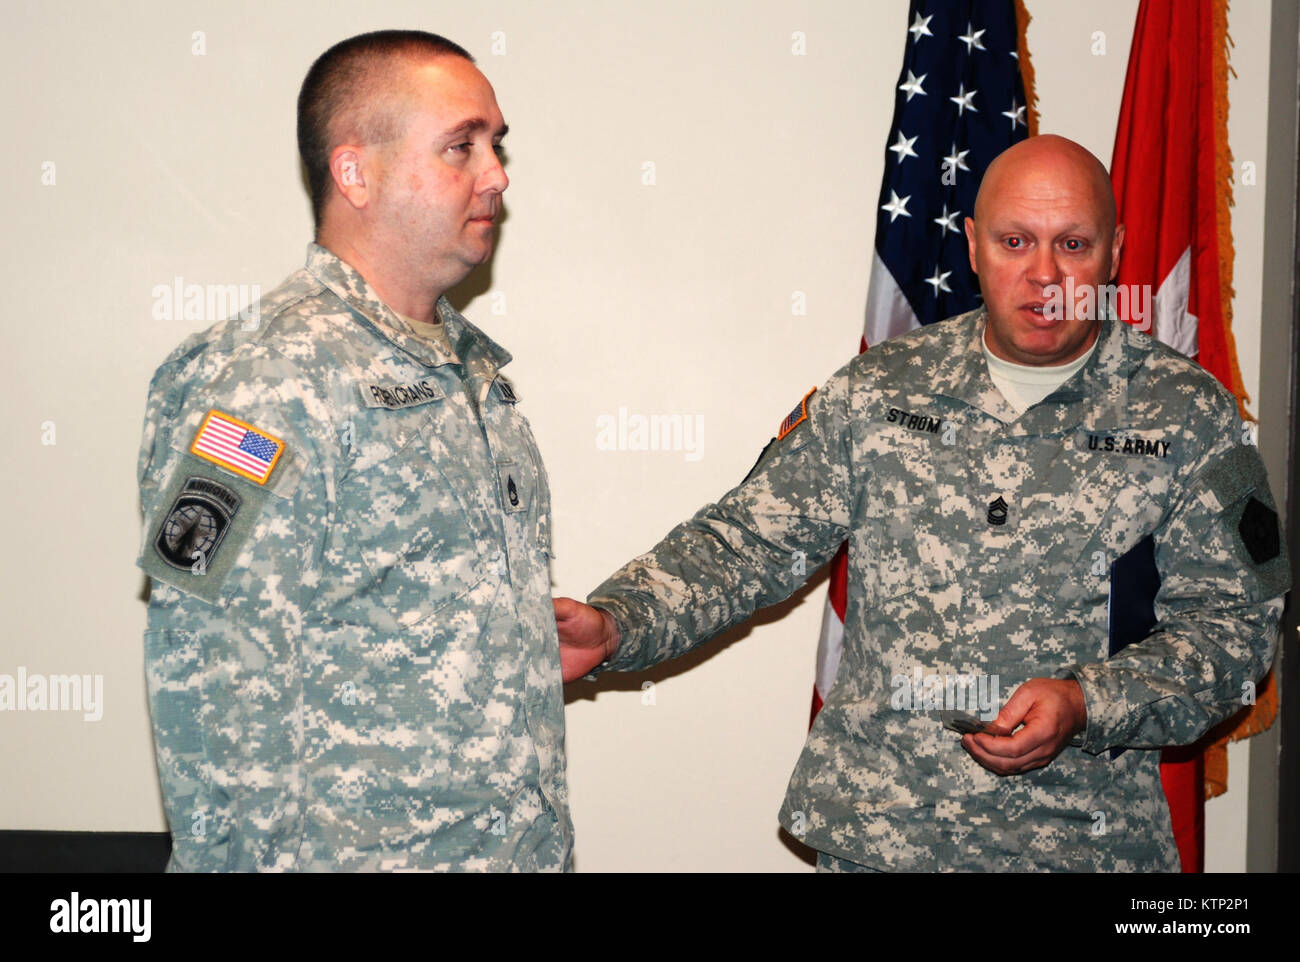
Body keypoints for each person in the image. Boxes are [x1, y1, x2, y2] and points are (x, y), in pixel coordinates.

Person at [555, 135, 1289, 872]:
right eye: (1014, 241)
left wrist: (1087, 703)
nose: (1045, 275)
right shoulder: (878, 391)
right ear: (973, 246)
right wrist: (621, 622)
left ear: (1116, 251)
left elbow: (1238, 633)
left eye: (1073, 244)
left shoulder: (1190, 417)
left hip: (1080, 847)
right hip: (883, 841)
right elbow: (749, 540)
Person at [137, 30, 572, 871]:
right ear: (354, 173)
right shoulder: (264, 378)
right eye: (461, 146)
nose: (497, 173)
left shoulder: (472, 370)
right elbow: (214, 675)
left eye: (496, 144)